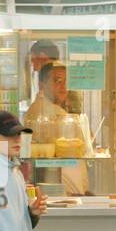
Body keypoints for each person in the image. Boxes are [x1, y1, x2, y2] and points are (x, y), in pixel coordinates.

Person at [25, 62, 94, 194]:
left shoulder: (61, 111)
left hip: (68, 189)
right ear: (42, 85)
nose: (63, 86)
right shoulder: (42, 113)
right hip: (59, 188)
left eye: (66, 81)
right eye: (57, 80)